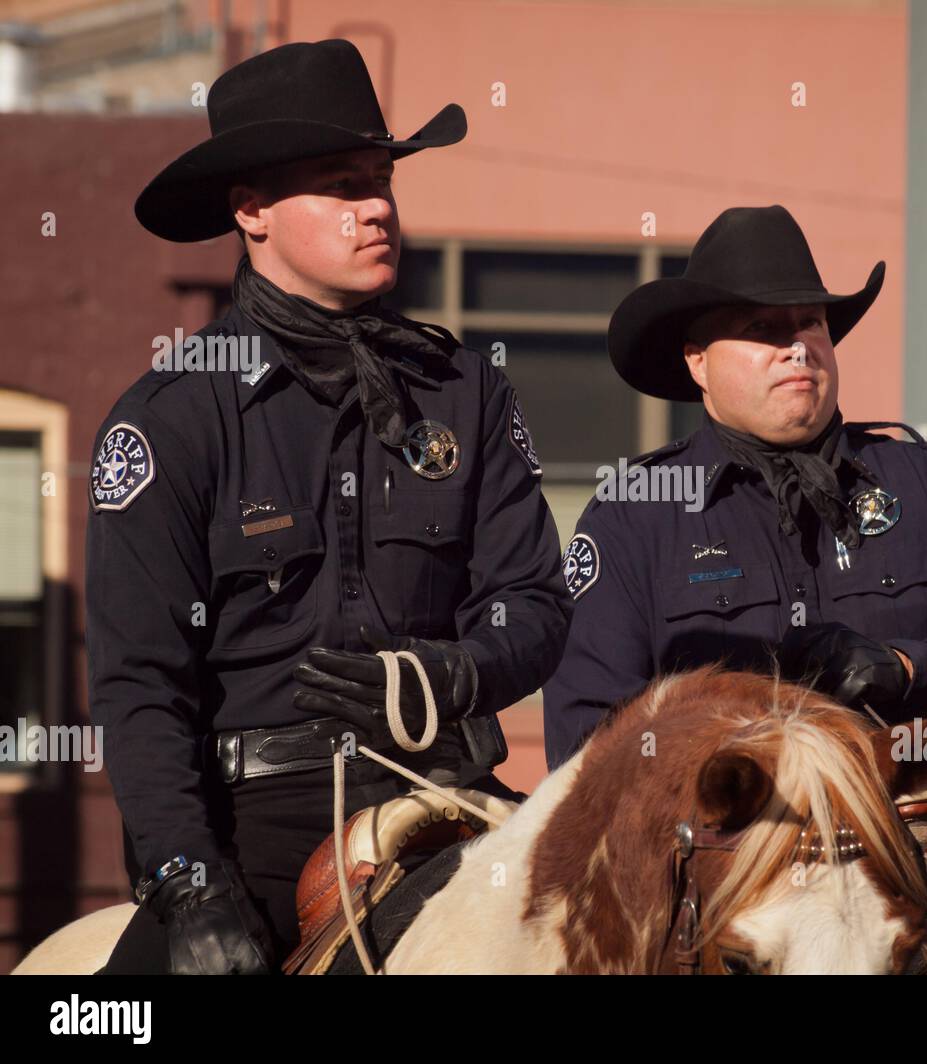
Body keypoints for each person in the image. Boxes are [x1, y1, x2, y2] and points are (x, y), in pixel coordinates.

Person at [87, 39, 571, 974]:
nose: (377, 209)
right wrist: (188, 879)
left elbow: (535, 603)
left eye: (380, 182)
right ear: (252, 211)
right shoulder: (170, 421)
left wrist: (455, 674)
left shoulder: (467, 389)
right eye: (340, 186)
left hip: (447, 788)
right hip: (257, 824)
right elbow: (141, 689)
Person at [542, 204, 927, 773]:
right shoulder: (633, 517)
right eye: (762, 328)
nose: (798, 347)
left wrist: (904, 669)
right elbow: (588, 743)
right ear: (698, 362)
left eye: (810, 321)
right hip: (727, 851)